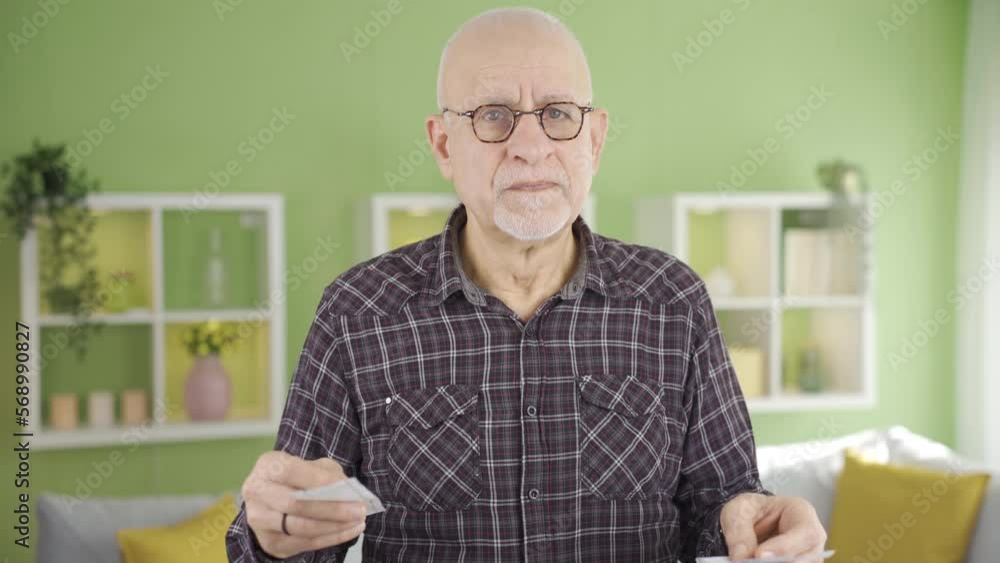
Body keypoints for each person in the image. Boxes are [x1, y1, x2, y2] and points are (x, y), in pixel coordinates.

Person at [226, 7, 827, 562]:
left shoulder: (673, 303)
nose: (531, 146)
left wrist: (754, 522)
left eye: (559, 114)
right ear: (443, 144)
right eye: (493, 116)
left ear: (593, 139)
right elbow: (295, 529)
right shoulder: (358, 312)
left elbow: (720, 507)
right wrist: (267, 533)